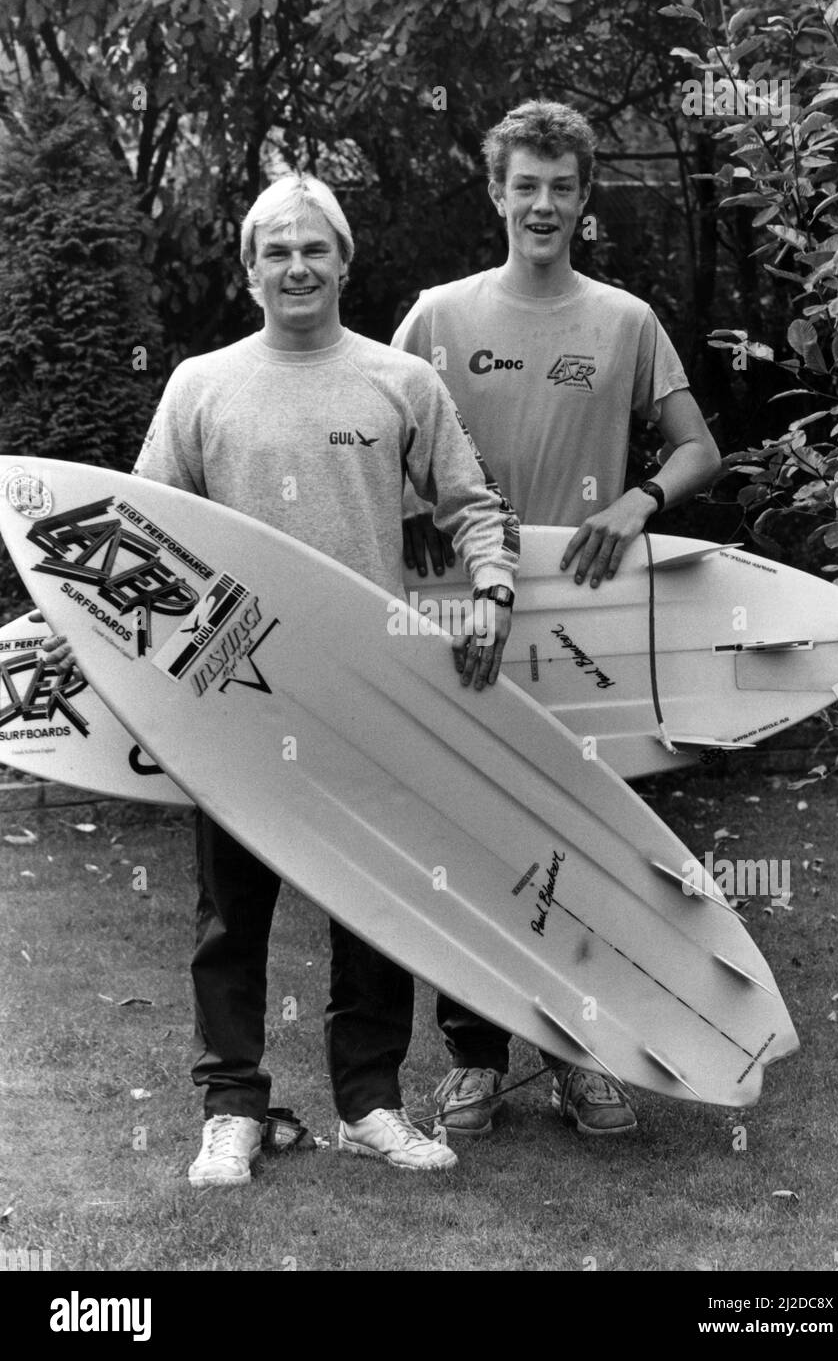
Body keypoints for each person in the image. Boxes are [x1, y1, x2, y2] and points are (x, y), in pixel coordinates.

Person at [45, 173, 521, 1183]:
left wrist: (489, 583)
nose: (297, 266)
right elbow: (142, 538)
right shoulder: (200, 386)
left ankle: (370, 1102)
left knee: (377, 906)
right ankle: (232, 1106)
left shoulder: (400, 382)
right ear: (250, 269)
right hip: (231, 698)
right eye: (278, 251)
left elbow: (472, 501)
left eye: (315, 249)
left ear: (344, 263)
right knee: (232, 913)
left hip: (368, 692)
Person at [392, 99, 721, 1142]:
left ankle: (584, 1062)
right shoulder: (436, 317)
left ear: (584, 201)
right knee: (470, 835)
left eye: (561, 187)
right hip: (463, 612)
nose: (541, 203)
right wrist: (412, 516)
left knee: (585, 842)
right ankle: (475, 1062)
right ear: (496, 194)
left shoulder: (625, 321)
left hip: (589, 617)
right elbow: (376, 435)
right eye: (523, 185)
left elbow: (697, 451)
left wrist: (637, 501)